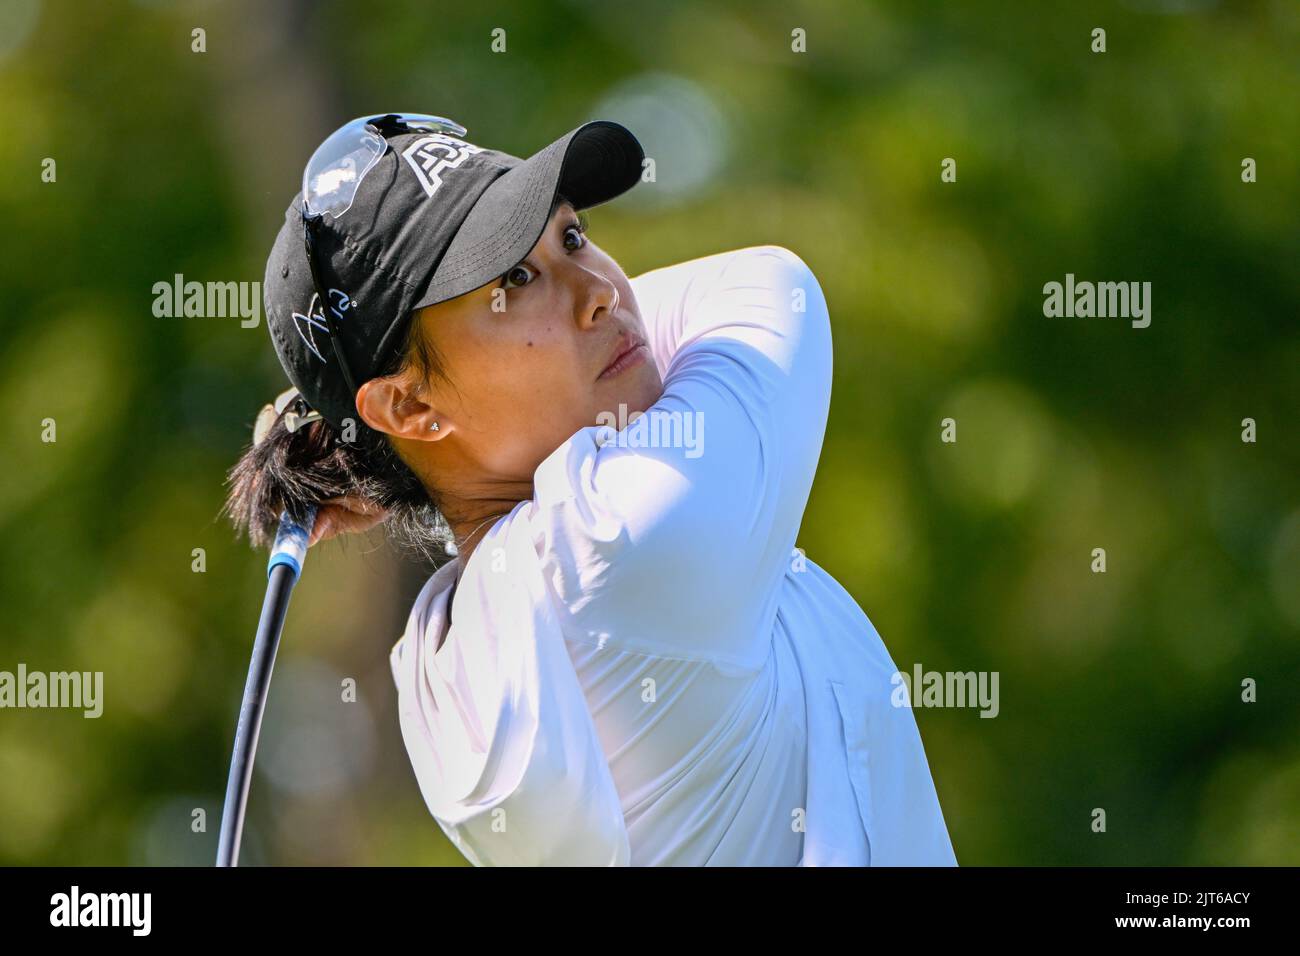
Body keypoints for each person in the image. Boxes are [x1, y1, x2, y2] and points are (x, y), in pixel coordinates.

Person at [224, 113, 957, 866]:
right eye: (514, 279)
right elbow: (774, 284)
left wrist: (378, 450)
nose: (602, 290)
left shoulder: (449, 648)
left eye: (572, 238)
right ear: (411, 407)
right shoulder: (625, 535)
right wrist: (368, 448)